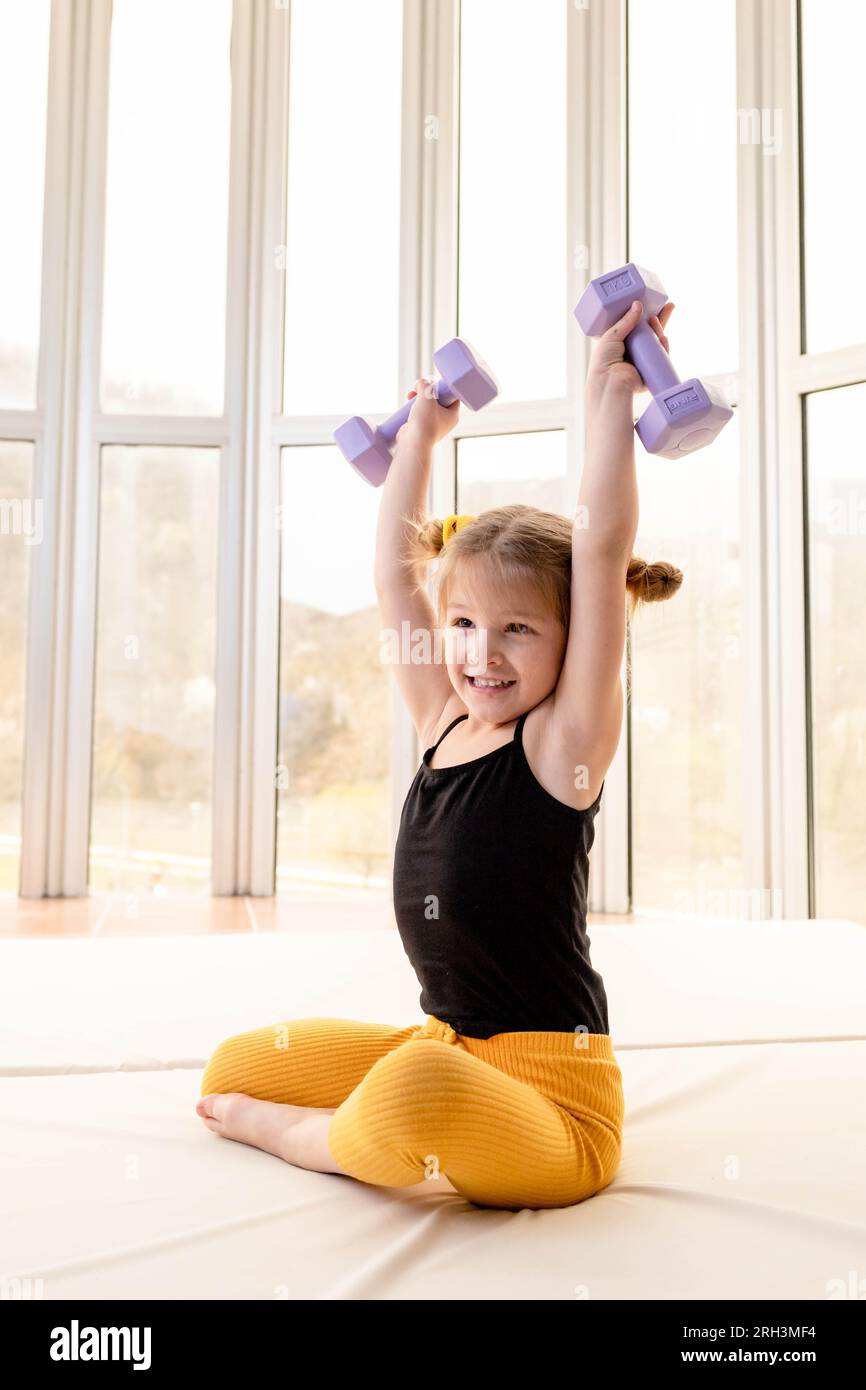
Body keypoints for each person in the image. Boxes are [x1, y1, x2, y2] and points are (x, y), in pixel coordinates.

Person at [196, 297, 681, 1209]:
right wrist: (420, 435)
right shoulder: (443, 721)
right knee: (239, 1064)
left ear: (573, 638)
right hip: (446, 1046)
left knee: (415, 1089)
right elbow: (395, 577)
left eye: (517, 629)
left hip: (557, 1104)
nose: (481, 654)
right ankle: (390, 1111)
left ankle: (314, 1140)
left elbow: (600, 546)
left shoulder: (563, 745)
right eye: (463, 624)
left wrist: (610, 390)